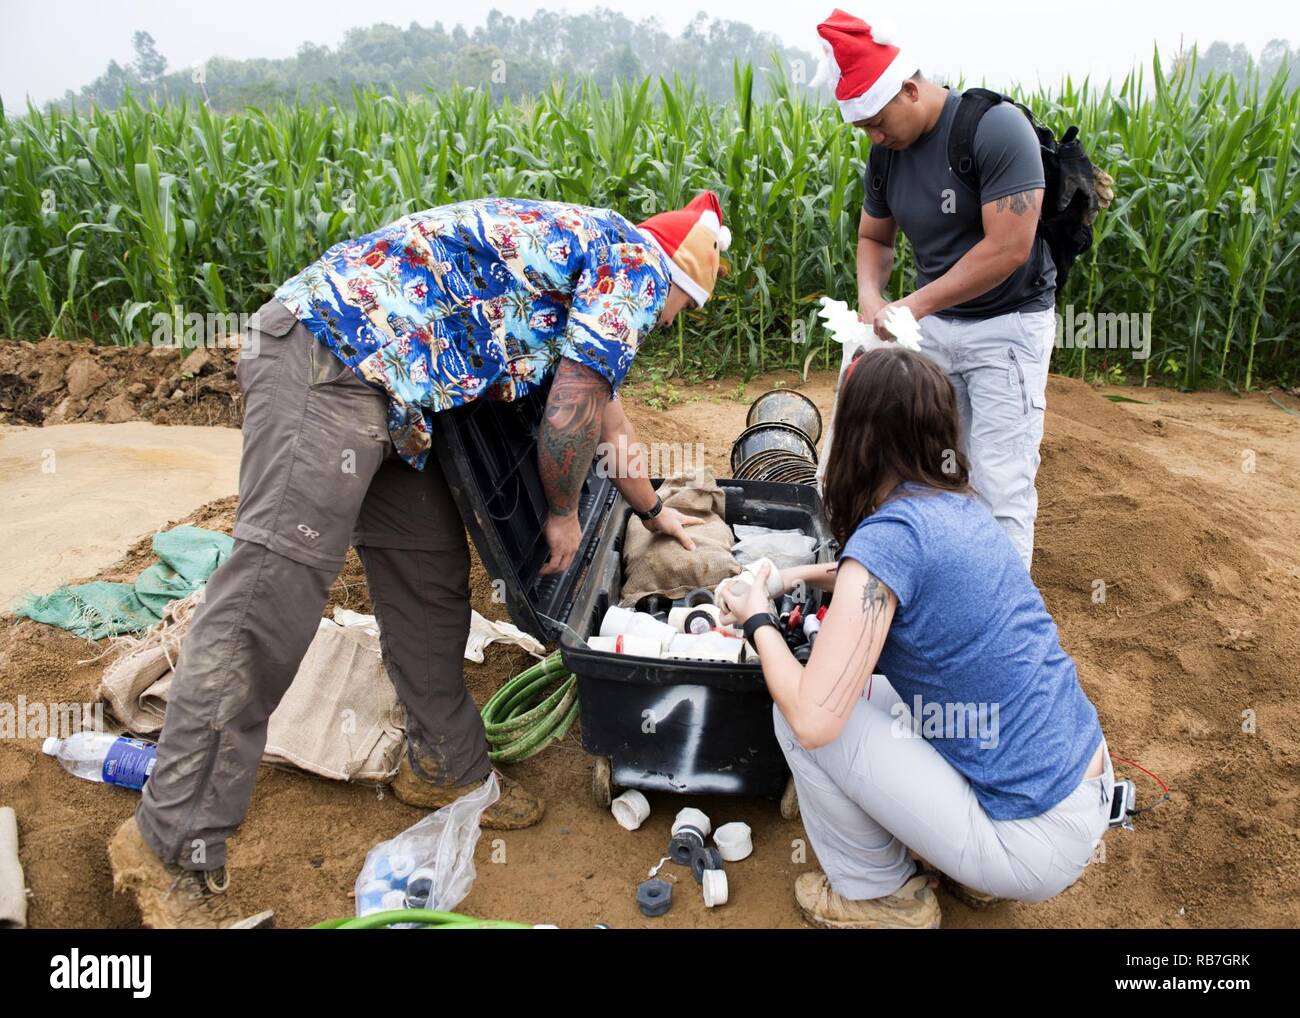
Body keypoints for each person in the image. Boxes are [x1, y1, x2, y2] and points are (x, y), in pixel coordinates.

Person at [109, 192, 733, 927]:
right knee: (267, 603)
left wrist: (656, 513)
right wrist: (563, 514)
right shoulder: (635, 267)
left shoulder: (600, 260)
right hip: (327, 357)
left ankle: (443, 763)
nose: (672, 322)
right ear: (677, 282)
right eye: (683, 309)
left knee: (424, 569)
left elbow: (606, 411)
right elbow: (571, 408)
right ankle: (171, 840)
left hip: (397, 398)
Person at [720, 345, 1112, 929]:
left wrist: (757, 618)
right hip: (1081, 784)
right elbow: (884, 579)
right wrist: (795, 575)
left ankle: (881, 898)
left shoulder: (890, 542)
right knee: (880, 696)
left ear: (859, 438)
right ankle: (971, 869)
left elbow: (814, 718)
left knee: (799, 714)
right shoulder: (958, 507)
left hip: (1030, 839)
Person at [815, 9, 1057, 569]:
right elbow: (874, 236)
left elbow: (1009, 247)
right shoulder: (887, 153)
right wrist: (873, 299)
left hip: (1007, 328)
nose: (874, 137)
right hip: (934, 329)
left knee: (1000, 483)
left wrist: (914, 304)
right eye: (864, 130)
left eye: (876, 122)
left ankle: (999, 615)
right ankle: (915, 576)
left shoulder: (994, 128)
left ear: (907, 88)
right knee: (928, 465)